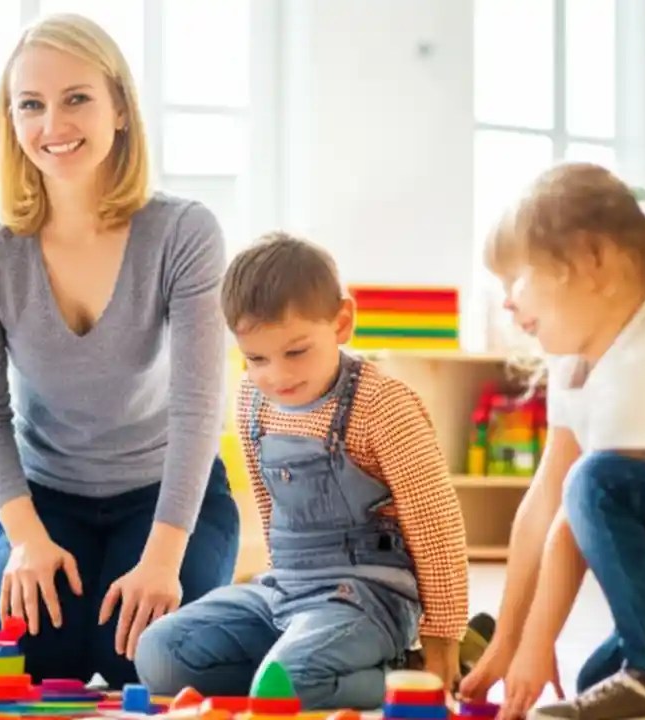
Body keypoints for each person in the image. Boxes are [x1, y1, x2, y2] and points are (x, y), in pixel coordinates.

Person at [0, 12, 240, 685]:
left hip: (164, 497)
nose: (54, 124)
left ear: (121, 109)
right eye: (31, 105)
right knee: (39, 659)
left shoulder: (184, 232)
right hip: (43, 500)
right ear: (11, 120)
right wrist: (26, 539)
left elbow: (198, 409)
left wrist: (162, 559)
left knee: (141, 660)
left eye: (76, 98)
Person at [459, 162, 645, 720]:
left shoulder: (640, 364)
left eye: (516, 278)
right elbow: (543, 500)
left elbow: (575, 516)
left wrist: (539, 640)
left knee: (595, 481)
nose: (507, 302)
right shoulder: (575, 366)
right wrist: (510, 639)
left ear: (592, 262)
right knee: (598, 682)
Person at [133, 233, 471, 709]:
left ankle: (406, 671)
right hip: (286, 590)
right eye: (256, 358)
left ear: (342, 323)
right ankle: (289, 674)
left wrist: (443, 640)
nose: (276, 375)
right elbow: (272, 510)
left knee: (288, 683)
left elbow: (436, 528)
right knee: (160, 654)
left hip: (369, 598)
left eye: (296, 352)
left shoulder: (381, 406)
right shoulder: (252, 399)